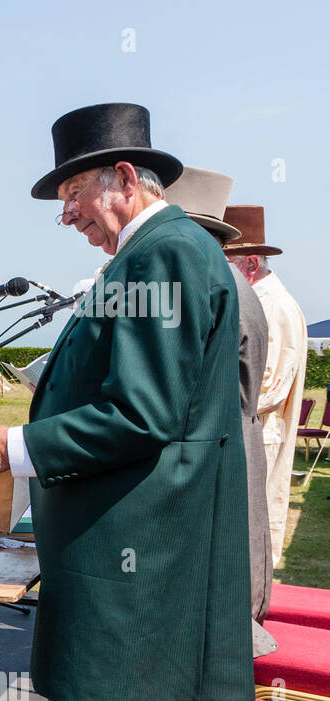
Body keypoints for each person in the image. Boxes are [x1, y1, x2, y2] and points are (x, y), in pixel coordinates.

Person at [0, 103, 252, 701]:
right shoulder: (155, 255)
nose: (68, 218)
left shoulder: (164, 256)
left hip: (127, 545)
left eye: (73, 196)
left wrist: (14, 446)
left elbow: (139, 412)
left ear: (123, 177)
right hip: (126, 537)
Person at [163, 167, 274, 648]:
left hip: (216, 450)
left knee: (213, 595)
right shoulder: (232, 280)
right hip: (235, 441)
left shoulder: (206, 284)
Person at [222, 204, 308, 570]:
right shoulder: (260, 299)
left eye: (227, 261)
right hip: (249, 432)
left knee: (251, 533)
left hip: (258, 435)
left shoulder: (273, 306)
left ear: (251, 264)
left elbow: (266, 388)